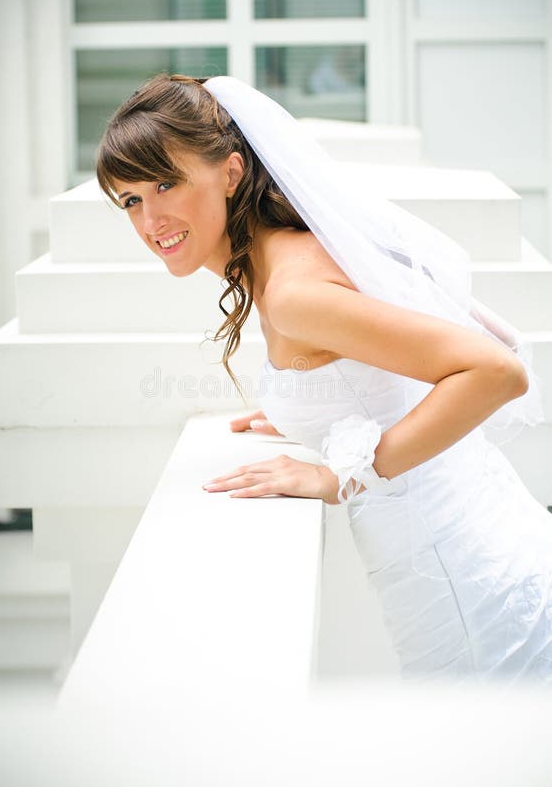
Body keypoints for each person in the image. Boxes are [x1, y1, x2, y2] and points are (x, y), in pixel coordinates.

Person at [96, 72, 552, 685]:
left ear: (231, 173)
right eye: (130, 200)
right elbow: (358, 370)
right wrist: (305, 408)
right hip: (472, 555)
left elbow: (495, 371)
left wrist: (342, 474)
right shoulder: (288, 253)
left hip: (466, 582)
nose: (151, 219)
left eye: (163, 183)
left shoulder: (291, 290)